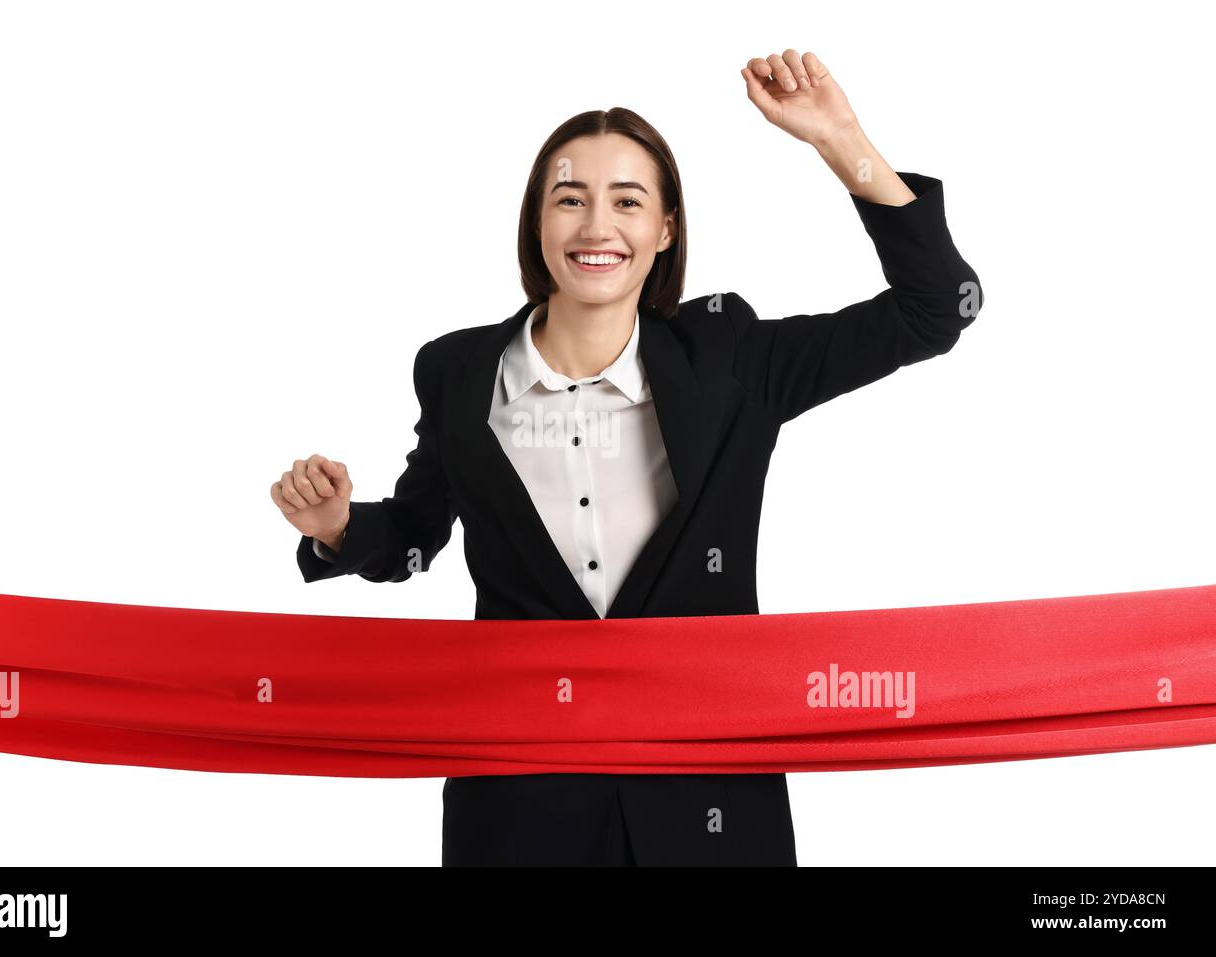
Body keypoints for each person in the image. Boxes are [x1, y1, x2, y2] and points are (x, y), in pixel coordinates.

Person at [271, 49, 983, 866]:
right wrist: (336, 528)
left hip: (709, 795)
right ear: (538, 223)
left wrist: (840, 140)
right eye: (569, 199)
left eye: (628, 201)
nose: (596, 226)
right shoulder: (458, 371)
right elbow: (413, 536)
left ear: (664, 229)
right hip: (519, 801)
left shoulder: (732, 360)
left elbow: (936, 310)